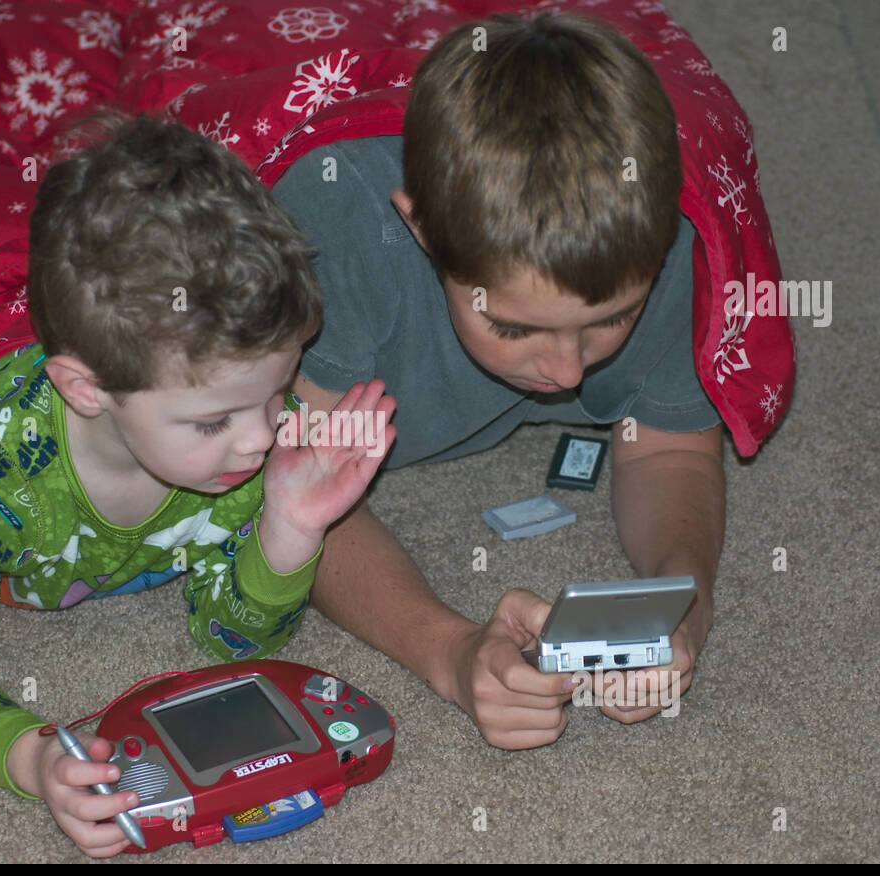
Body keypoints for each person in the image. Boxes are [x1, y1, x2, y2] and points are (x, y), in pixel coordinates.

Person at [0, 114, 395, 857]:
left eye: (279, 389)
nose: (262, 437)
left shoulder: (247, 443)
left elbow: (229, 640)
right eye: (214, 420)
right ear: (88, 392)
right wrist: (32, 758)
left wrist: (290, 530)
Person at [270, 12, 726, 748]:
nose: (569, 369)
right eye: (514, 328)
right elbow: (294, 503)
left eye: (614, 317)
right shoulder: (338, 237)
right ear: (420, 233)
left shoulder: (670, 234)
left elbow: (673, 449)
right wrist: (449, 651)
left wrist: (684, 600)